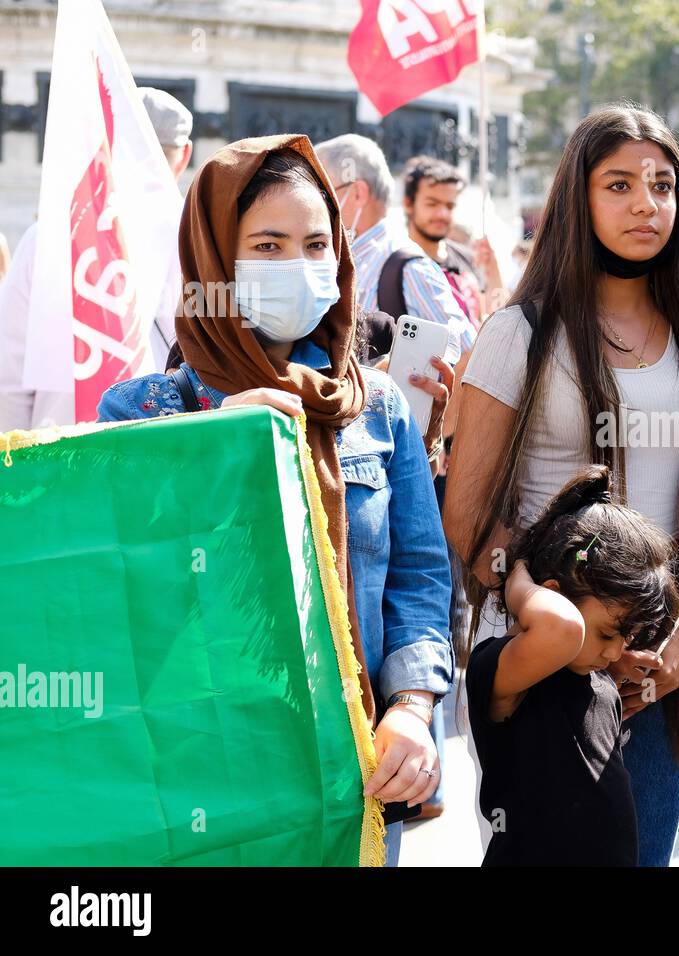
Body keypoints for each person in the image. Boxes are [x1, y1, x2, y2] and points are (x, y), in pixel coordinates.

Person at [96, 136, 455, 867]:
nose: (298, 265)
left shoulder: (376, 406)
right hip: (201, 768)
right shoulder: (140, 413)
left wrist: (414, 709)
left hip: (350, 767)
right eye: (267, 245)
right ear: (214, 262)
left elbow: (420, 576)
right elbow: (120, 592)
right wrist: (213, 454)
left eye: (317, 243)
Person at [444, 103, 679, 867]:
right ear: (578, 200)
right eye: (619, 184)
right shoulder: (520, 335)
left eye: (663, 184)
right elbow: (469, 523)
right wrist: (572, 631)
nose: (647, 203)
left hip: (658, 672)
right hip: (546, 668)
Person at [468, 465, 679, 865]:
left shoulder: (598, 681)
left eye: (626, 638)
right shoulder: (503, 671)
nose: (617, 652)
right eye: (606, 634)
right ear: (551, 594)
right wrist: (518, 579)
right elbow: (562, 630)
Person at [0, 87, 193, 431]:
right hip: (168, 453)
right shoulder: (202, 239)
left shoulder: (45, 236)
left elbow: (9, 372)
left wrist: (13, 467)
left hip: (58, 453)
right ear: (184, 156)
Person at [314, 134, 472, 363]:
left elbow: (468, 354)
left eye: (323, 192)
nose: (315, 202)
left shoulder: (410, 268)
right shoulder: (347, 258)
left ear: (358, 193)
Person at [402, 155, 485, 326]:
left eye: (450, 206)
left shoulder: (468, 258)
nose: (443, 214)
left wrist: (493, 269)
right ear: (409, 204)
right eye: (432, 204)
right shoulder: (396, 264)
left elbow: (486, 317)